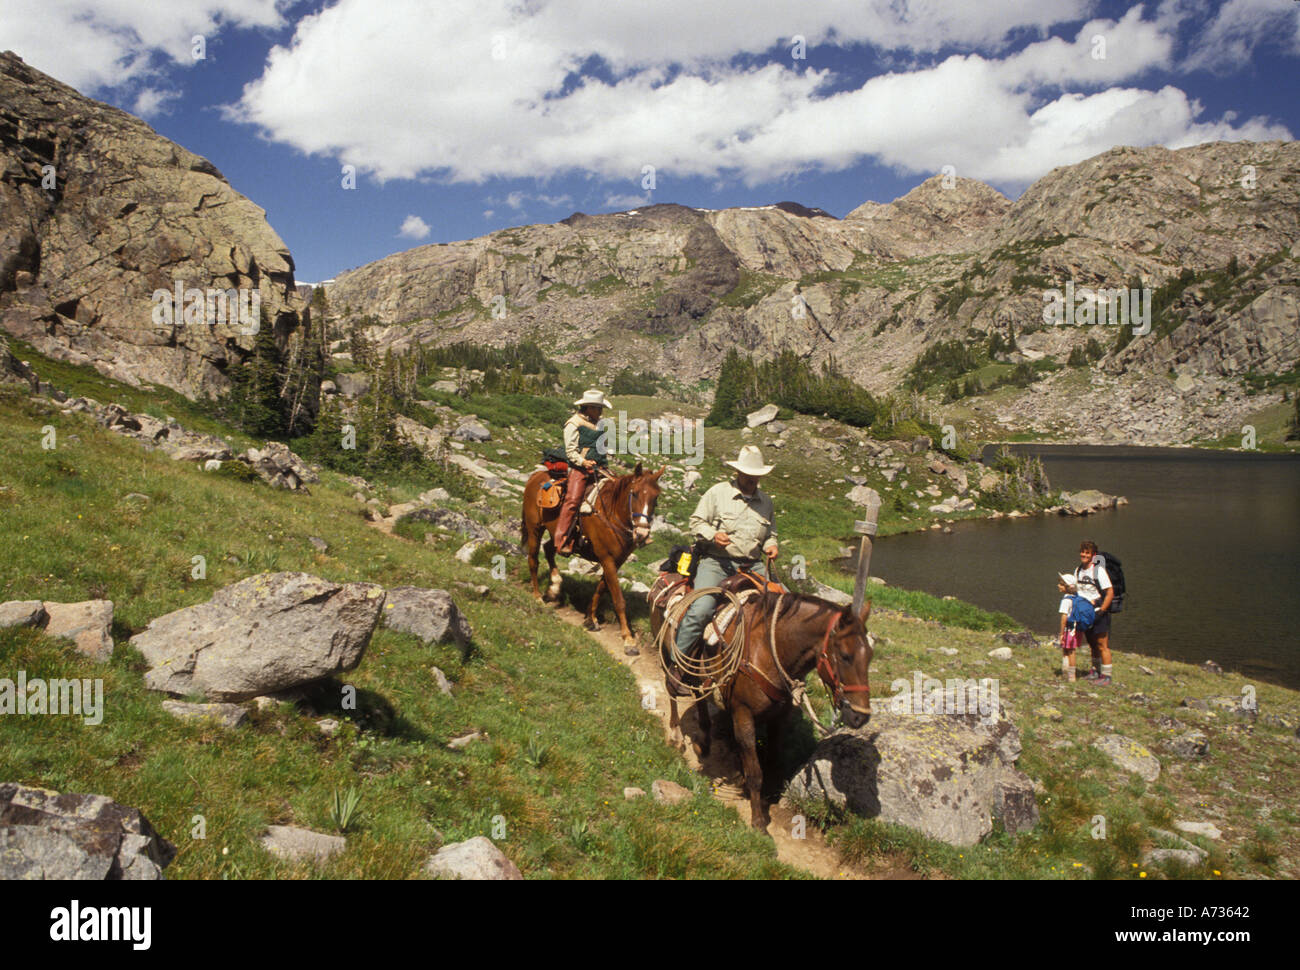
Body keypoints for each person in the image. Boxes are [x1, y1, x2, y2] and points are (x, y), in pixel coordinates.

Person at [673, 446, 779, 660]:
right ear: (738, 472)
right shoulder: (718, 492)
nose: (753, 479)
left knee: (783, 603)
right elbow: (696, 522)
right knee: (702, 608)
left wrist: (772, 544)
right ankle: (678, 663)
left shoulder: (766, 502)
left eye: (756, 476)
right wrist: (713, 535)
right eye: (749, 474)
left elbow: (770, 533)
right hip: (717, 562)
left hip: (753, 565)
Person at [555, 389, 611, 555]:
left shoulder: (599, 423)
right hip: (580, 468)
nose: (600, 411)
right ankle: (561, 540)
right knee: (572, 501)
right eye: (598, 408)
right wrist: (584, 461)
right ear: (588, 408)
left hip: (600, 467)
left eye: (601, 408)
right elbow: (571, 451)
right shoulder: (574, 423)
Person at [1074, 540, 1114, 684]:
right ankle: (1095, 671)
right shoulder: (1078, 570)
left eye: (1087, 553)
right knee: (1092, 644)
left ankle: (1107, 676)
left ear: (1093, 555)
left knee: (1102, 645)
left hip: (1099, 613)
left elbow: (1110, 593)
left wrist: (1101, 611)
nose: (1084, 555)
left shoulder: (1098, 571)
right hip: (1085, 614)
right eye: (1082, 552)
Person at [1056, 573, 1095, 683]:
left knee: (1070, 651)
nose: (1058, 586)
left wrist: (1061, 633)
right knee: (1068, 649)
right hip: (1076, 629)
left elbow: (1064, 618)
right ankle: (1067, 672)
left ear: (1067, 587)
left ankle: (1070, 675)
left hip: (1069, 629)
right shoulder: (1076, 597)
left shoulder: (1065, 601)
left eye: (1061, 584)